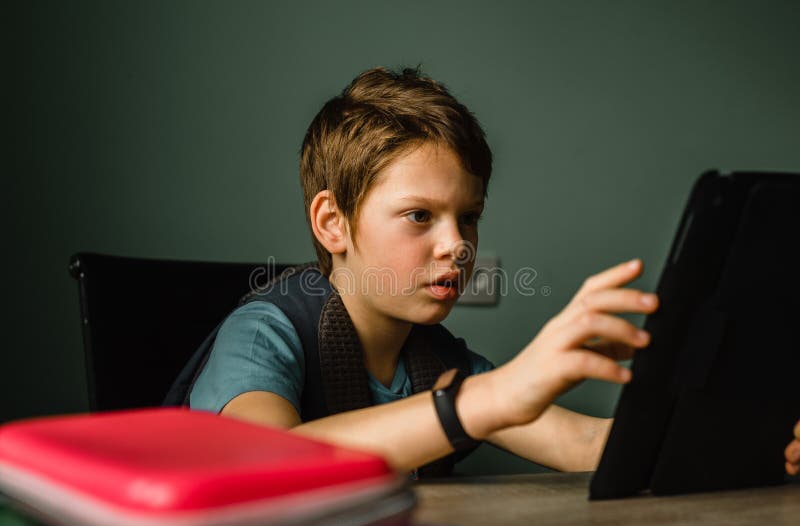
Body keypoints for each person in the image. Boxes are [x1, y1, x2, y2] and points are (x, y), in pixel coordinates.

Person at [179, 66, 660, 475]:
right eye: (419, 216)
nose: (457, 245)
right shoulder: (262, 335)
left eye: (468, 217)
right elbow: (268, 462)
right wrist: (476, 404)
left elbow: (587, 445)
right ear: (333, 223)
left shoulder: (441, 361)